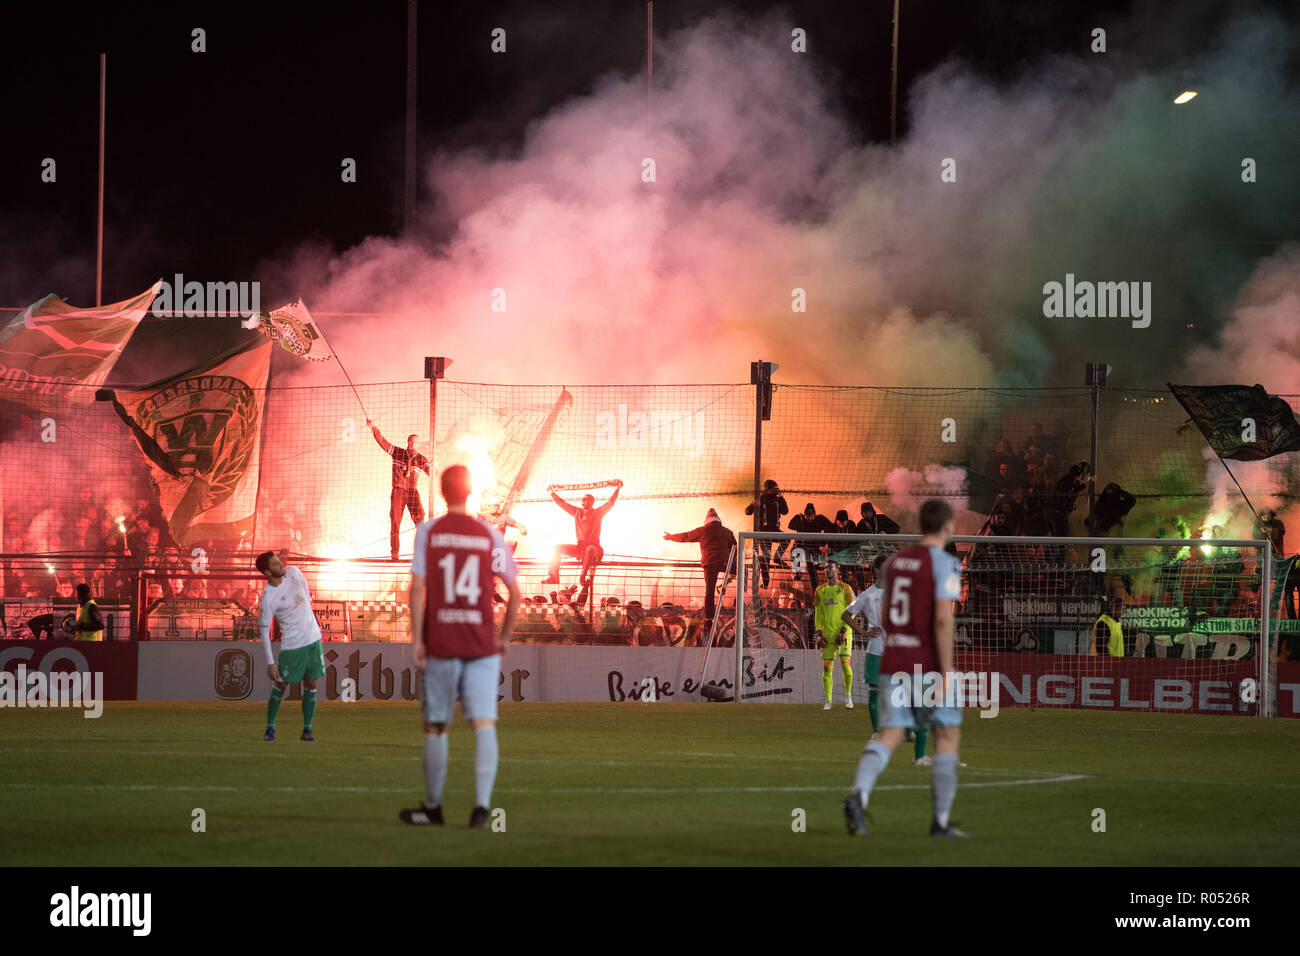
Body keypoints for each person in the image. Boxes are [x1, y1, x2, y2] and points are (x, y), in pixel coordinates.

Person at [400, 465, 522, 829]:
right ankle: (482, 809)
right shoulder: (488, 534)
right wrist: (503, 638)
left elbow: (417, 587)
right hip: (481, 644)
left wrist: (418, 638)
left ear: (441, 490)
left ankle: (433, 808)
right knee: (484, 723)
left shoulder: (429, 531)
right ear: (470, 492)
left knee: (437, 724)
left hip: (442, 642)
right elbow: (516, 593)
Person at [843, 498, 968, 838]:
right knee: (947, 734)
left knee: (891, 732)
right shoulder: (945, 564)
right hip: (924, 661)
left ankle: (860, 794)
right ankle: (940, 822)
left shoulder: (896, 563)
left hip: (893, 657)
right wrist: (945, 670)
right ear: (946, 526)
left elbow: (884, 611)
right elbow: (943, 621)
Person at [256, 550, 324, 742]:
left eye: (279, 560)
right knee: (281, 684)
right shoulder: (269, 597)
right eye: (275, 563)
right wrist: (270, 662)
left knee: (311, 683)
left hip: (313, 639)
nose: (280, 564)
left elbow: (305, 591)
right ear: (268, 572)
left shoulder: (294, 573)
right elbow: (263, 629)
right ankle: (270, 728)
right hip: (292, 645)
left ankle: (307, 730)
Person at [542, 482, 622, 603]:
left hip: (594, 548)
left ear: (592, 502)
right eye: (583, 500)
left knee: (590, 549)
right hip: (580, 548)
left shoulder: (598, 513)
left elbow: (610, 503)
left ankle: (582, 576)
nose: (585, 502)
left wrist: (617, 489)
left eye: (588, 501)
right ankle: (553, 576)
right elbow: (562, 504)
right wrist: (551, 493)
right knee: (556, 548)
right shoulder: (577, 512)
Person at [368, 420, 431, 561]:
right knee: (395, 522)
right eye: (416, 442)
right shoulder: (397, 452)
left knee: (420, 521)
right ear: (409, 442)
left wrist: (435, 468)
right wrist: (374, 429)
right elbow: (383, 443)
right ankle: (395, 553)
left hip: (412, 492)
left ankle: (424, 552)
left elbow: (431, 473)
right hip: (398, 491)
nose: (418, 445)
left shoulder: (421, 459)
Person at [663, 508, 737, 623]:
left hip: (709, 564)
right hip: (724, 562)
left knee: (709, 590)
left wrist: (670, 537)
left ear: (706, 520)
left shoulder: (702, 531)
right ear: (718, 520)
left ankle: (708, 618)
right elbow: (735, 547)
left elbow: (686, 536)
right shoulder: (726, 532)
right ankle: (742, 599)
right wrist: (732, 560)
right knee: (742, 572)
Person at [814, 561, 855, 710]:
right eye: (825, 568)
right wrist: (819, 634)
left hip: (843, 632)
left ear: (837, 570)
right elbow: (818, 614)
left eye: (830, 568)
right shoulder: (819, 590)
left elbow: (854, 610)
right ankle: (828, 701)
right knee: (826, 669)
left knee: (845, 665)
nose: (827, 570)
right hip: (827, 634)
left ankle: (848, 697)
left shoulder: (846, 588)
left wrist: (844, 630)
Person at [744, 479, 789, 588]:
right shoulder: (761, 498)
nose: (776, 490)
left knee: (786, 539)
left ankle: (778, 557)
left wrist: (782, 497)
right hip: (763, 532)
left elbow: (785, 511)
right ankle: (765, 582)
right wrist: (752, 504)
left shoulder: (778, 499)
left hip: (775, 530)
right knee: (765, 557)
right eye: (774, 488)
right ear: (768, 490)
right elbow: (747, 512)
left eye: (777, 488)